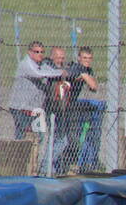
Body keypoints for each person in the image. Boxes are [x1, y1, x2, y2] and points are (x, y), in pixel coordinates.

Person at [55, 46, 100, 174]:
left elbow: (94, 87)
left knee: (73, 139)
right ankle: (55, 165)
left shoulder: (87, 70)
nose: (87, 61)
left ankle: (65, 165)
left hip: (71, 107)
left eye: (89, 58)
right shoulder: (76, 68)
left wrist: (86, 76)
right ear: (79, 58)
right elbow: (92, 84)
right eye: (84, 58)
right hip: (61, 107)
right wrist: (85, 76)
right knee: (65, 139)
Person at [8, 41, 63, 140]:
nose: (40, 54)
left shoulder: (41, 64)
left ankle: (33, 155)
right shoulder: (26, 64)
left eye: (42, 52)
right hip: (21, 108)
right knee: (24, 138)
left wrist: (61, 71)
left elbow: (51, 71)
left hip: (35, 108)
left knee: (39, 138)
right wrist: (61, 73)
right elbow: (38, 73)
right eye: (36, 52)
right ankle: (21, 155)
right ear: (29, 52)